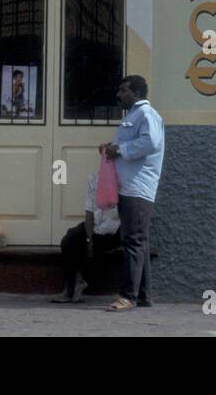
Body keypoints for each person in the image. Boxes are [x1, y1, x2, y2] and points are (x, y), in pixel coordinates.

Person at [103, 75, 165, 311]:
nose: (119, 95)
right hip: (129, 187)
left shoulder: (146, 114)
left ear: (136, 92)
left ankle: (128, 296)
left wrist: (120, 149)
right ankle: (143, 296)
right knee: (139, 241)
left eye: (123, 90)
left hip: (138, 188)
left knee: (133, 241)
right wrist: (111, 149)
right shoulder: (133, 116)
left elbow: (151, 142)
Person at [50, 168, 120, 303]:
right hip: (96, 227)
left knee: (94, 247)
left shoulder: (124, 182)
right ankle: (71, 287)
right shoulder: (94, 179)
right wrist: (89, 239)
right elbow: (89, 211)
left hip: (115, 231)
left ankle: (82, 280)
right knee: (70, 239)